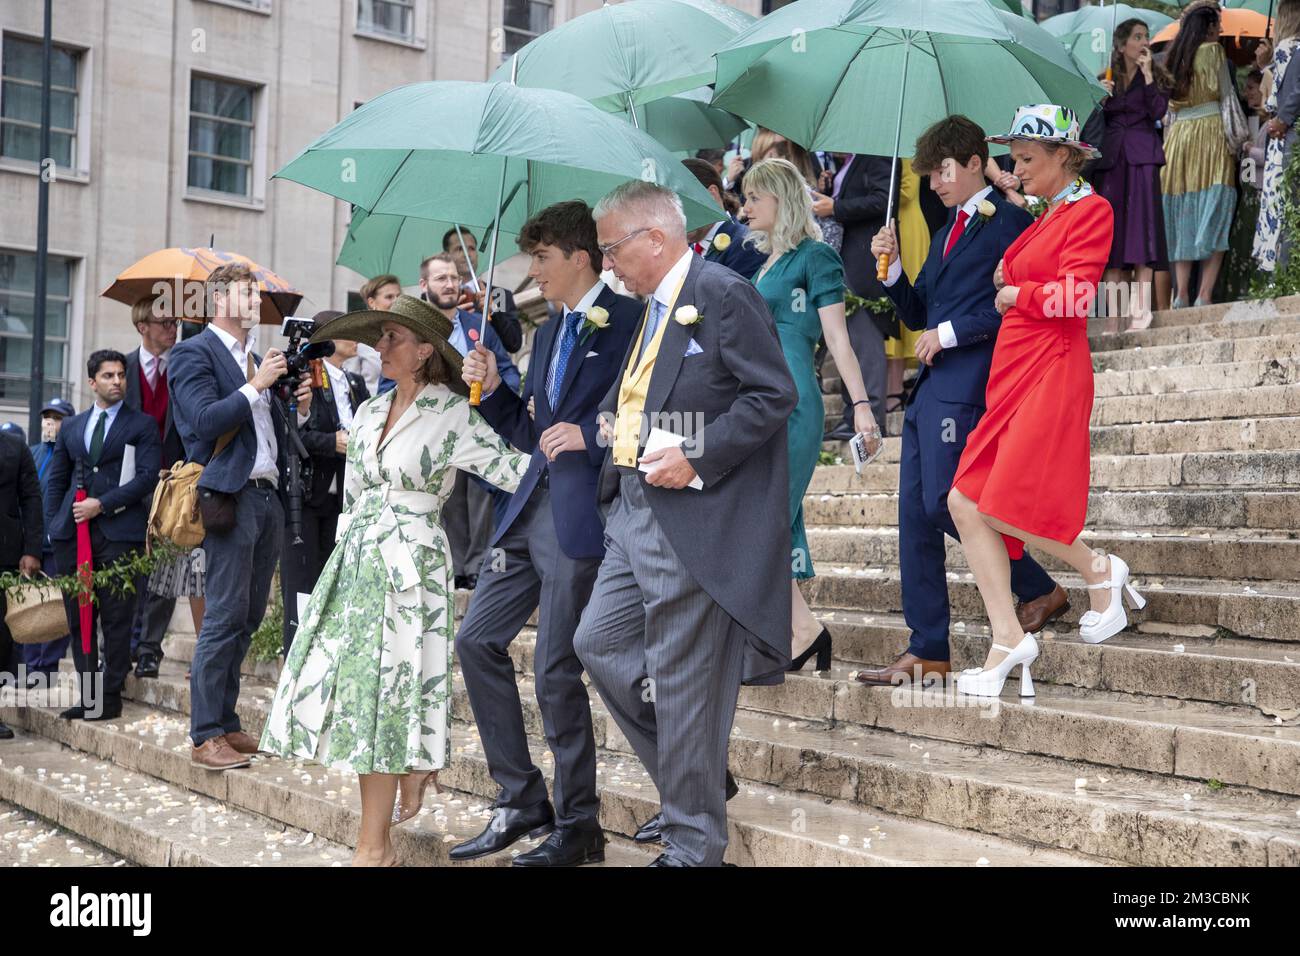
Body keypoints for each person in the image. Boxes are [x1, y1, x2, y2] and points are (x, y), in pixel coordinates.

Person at [573, 180, 797, 867]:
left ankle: (694, 844)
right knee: (597, 644)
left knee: (680, 677)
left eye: (610, 249)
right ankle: (693, 778)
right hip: (633, 510)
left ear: (655, 239)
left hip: (695, 514)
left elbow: (774, 394)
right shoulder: (649, 309)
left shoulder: (723, 292)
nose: (605, 265)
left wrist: (697, 458)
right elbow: (640, 393)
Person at [259, 295, 528, 867]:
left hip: (415, 568)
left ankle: (376, 839)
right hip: (359, 560)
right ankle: (381, 826)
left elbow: (517, 471)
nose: (380, 348)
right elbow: (354, 498)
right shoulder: (367, 413)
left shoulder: (454, 413)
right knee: (361, 697)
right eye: (379, 338)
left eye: (393, 339)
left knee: (397, 694)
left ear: (425, 350)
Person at [452, 201, 641, 866]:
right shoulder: (550, 329)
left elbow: (642, 413)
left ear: (580, 258)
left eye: (542, 258)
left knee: (558, 668)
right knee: (475, 641)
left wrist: (590, 434)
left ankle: (580, 824)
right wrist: (493, 391)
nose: (533, 270)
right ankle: (522, 797)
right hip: (524, 513)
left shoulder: (630, 320)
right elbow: (530, 433)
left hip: (579, 517)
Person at [858, 116, 1066, 688]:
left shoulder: (1014, 224)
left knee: (942, 504)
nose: (935, 182)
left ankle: (1037, 586)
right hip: (931, 387)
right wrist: (893, 267)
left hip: (970, 381)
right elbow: (919, 311)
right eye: (929, 174)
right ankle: (928, 647)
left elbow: (1009, 307)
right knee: (912, 520)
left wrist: (949, 336)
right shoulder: (948, 226)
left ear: (975, 162)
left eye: (943, 170)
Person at [947, 105, 1144, 699]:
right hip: (1014, 371)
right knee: (963, 503)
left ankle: (1099, 570)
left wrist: (1015, 292)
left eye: (1028, 159)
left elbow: (1077, 298)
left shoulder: (1092, 209)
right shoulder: (1044, 212)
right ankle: (1008, 637)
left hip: (1052, 368)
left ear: (1065, 156)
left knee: (1003, 504)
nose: (1016, 167)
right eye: (1014, 158)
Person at [167, 262, 314, 771]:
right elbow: (203, 421)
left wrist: (297, 404)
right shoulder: (192, 353)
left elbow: (269, 432)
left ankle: (226, 722)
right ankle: (205, 734)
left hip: (267, 496)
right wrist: (256, 385)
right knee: (224, 615)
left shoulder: (253, 357)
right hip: (227, 496)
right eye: (249, 294)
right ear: (219, 301)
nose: (257, 302)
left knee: (249, 616)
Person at [741, 157, 881, 674]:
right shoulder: (765, 265)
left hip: (794, 401)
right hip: (759, 402)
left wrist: (862, 408)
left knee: (766, 519)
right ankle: (803, 631)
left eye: (756, 197)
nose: (746, 206)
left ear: (782, 199)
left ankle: (797, 631)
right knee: (770, 518)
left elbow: (839, 340)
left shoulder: (815, 256)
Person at [43, 350, 160, 721]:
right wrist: (53, 524)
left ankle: (110, 696)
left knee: (116, 617)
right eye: (108, 376)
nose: (117, 381)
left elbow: (146, 477)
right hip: (72, 535)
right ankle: (89, 696)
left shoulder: (141, 425)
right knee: (80, 619)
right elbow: (56, 480)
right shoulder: (73, 427)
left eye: (121, 375)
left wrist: (102, 504)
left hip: (119, 533)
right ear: (92, 382)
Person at [420, 252, 520, 590]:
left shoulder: (479, 326)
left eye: (453, 278)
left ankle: (477, 565)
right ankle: (455, 566)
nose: (450, 284)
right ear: (424, 285)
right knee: (449, 501)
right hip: (436, 430)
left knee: (481, 499)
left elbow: (506, 368)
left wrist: (500, 401)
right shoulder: (418, 331)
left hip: (479, 425)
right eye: (441, 279)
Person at [280, 311, 370, 656]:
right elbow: (295, 432)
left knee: (336, 585)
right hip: (307, 494)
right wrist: (332, 442)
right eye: (348, 331)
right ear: (328, 338)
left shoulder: (356, 383)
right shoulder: (306, 377)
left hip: (345, 498)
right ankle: (297, 660)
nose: (356, 336)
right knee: (302, 585)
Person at [122, 295, 185, 678]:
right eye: (164, 322)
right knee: (128, 569)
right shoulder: (121, 369)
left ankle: (150, 649)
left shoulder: (186, 366)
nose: (172, 327)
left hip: (173, 485)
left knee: (166, 569)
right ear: (142, 326)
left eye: (176, 321)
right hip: (129, 486)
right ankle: (120, 644)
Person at [1094, 18, 1171, 332]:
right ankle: (1114, 317)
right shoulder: (1106, 77)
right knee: (1114, 240)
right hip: (1112, 162)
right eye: (1137, 36)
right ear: (1122, 44)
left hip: (1142, 159)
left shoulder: (1154, 76)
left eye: (1146, 36)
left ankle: (1141, 310)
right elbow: (1094, 119)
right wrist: (1099, 96)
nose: (1143, 41)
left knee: (1143, 233)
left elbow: (1158, 112)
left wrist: (1150, 74)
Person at [1161, 1, 1236, 307]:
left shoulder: (1174, 58)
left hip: (1179, 139)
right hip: (1210, 132)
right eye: (1217, 25)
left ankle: (1180, 293)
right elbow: (1227, 95)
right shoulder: (1214, 53)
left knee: (1182, 212)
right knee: (1216, 205)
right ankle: (1203, 294)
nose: (1220, 31)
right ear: (1207, 28)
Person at [820, 153, 898, 440]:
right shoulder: (845, 165)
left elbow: (882, 200)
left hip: (865, 260)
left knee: (865, 340)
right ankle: (851, 414)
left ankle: (871, 414)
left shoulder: (874, 158)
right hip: (846, 260)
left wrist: (836, 207)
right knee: (849, 340)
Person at [21, 398, 75, 686]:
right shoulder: (32, 453)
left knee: (55, 607)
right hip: (32, 544)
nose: (50, 423)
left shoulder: (72, 456)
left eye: (57, 418)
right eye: (47, 417)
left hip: (58, 543)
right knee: (30, 606)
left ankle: (47, 668)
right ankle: (31, 667)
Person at [0, 422, 42, 739]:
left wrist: (32, 550)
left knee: (2, 638)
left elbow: (31, 499)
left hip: (6, 555)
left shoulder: (16, 447)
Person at [1255, 1, 1300, 273]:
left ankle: (1285, 273)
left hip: (1288, 138)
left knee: (1285, 206)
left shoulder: (1287, 48)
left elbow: (1273, 101)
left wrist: (1282, 119)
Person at [682, 157, 767, 280]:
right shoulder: (685, 250)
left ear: (711, 194)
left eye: (683, 201)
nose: (676, 214)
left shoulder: (745, 244)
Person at [442, 226, 524, 353]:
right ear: (446, 256)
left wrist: (494, 310)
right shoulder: (436, 297)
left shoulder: (499, 294)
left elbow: (514, 343)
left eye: (471, 248)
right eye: (460, 248)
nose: (467, 254)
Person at [357, 274, 400, 395]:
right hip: (368, 408)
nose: (396, 301)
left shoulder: (406, 336)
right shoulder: (358, 338)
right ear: (372, 302)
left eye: (398, 296)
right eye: (389, 297)